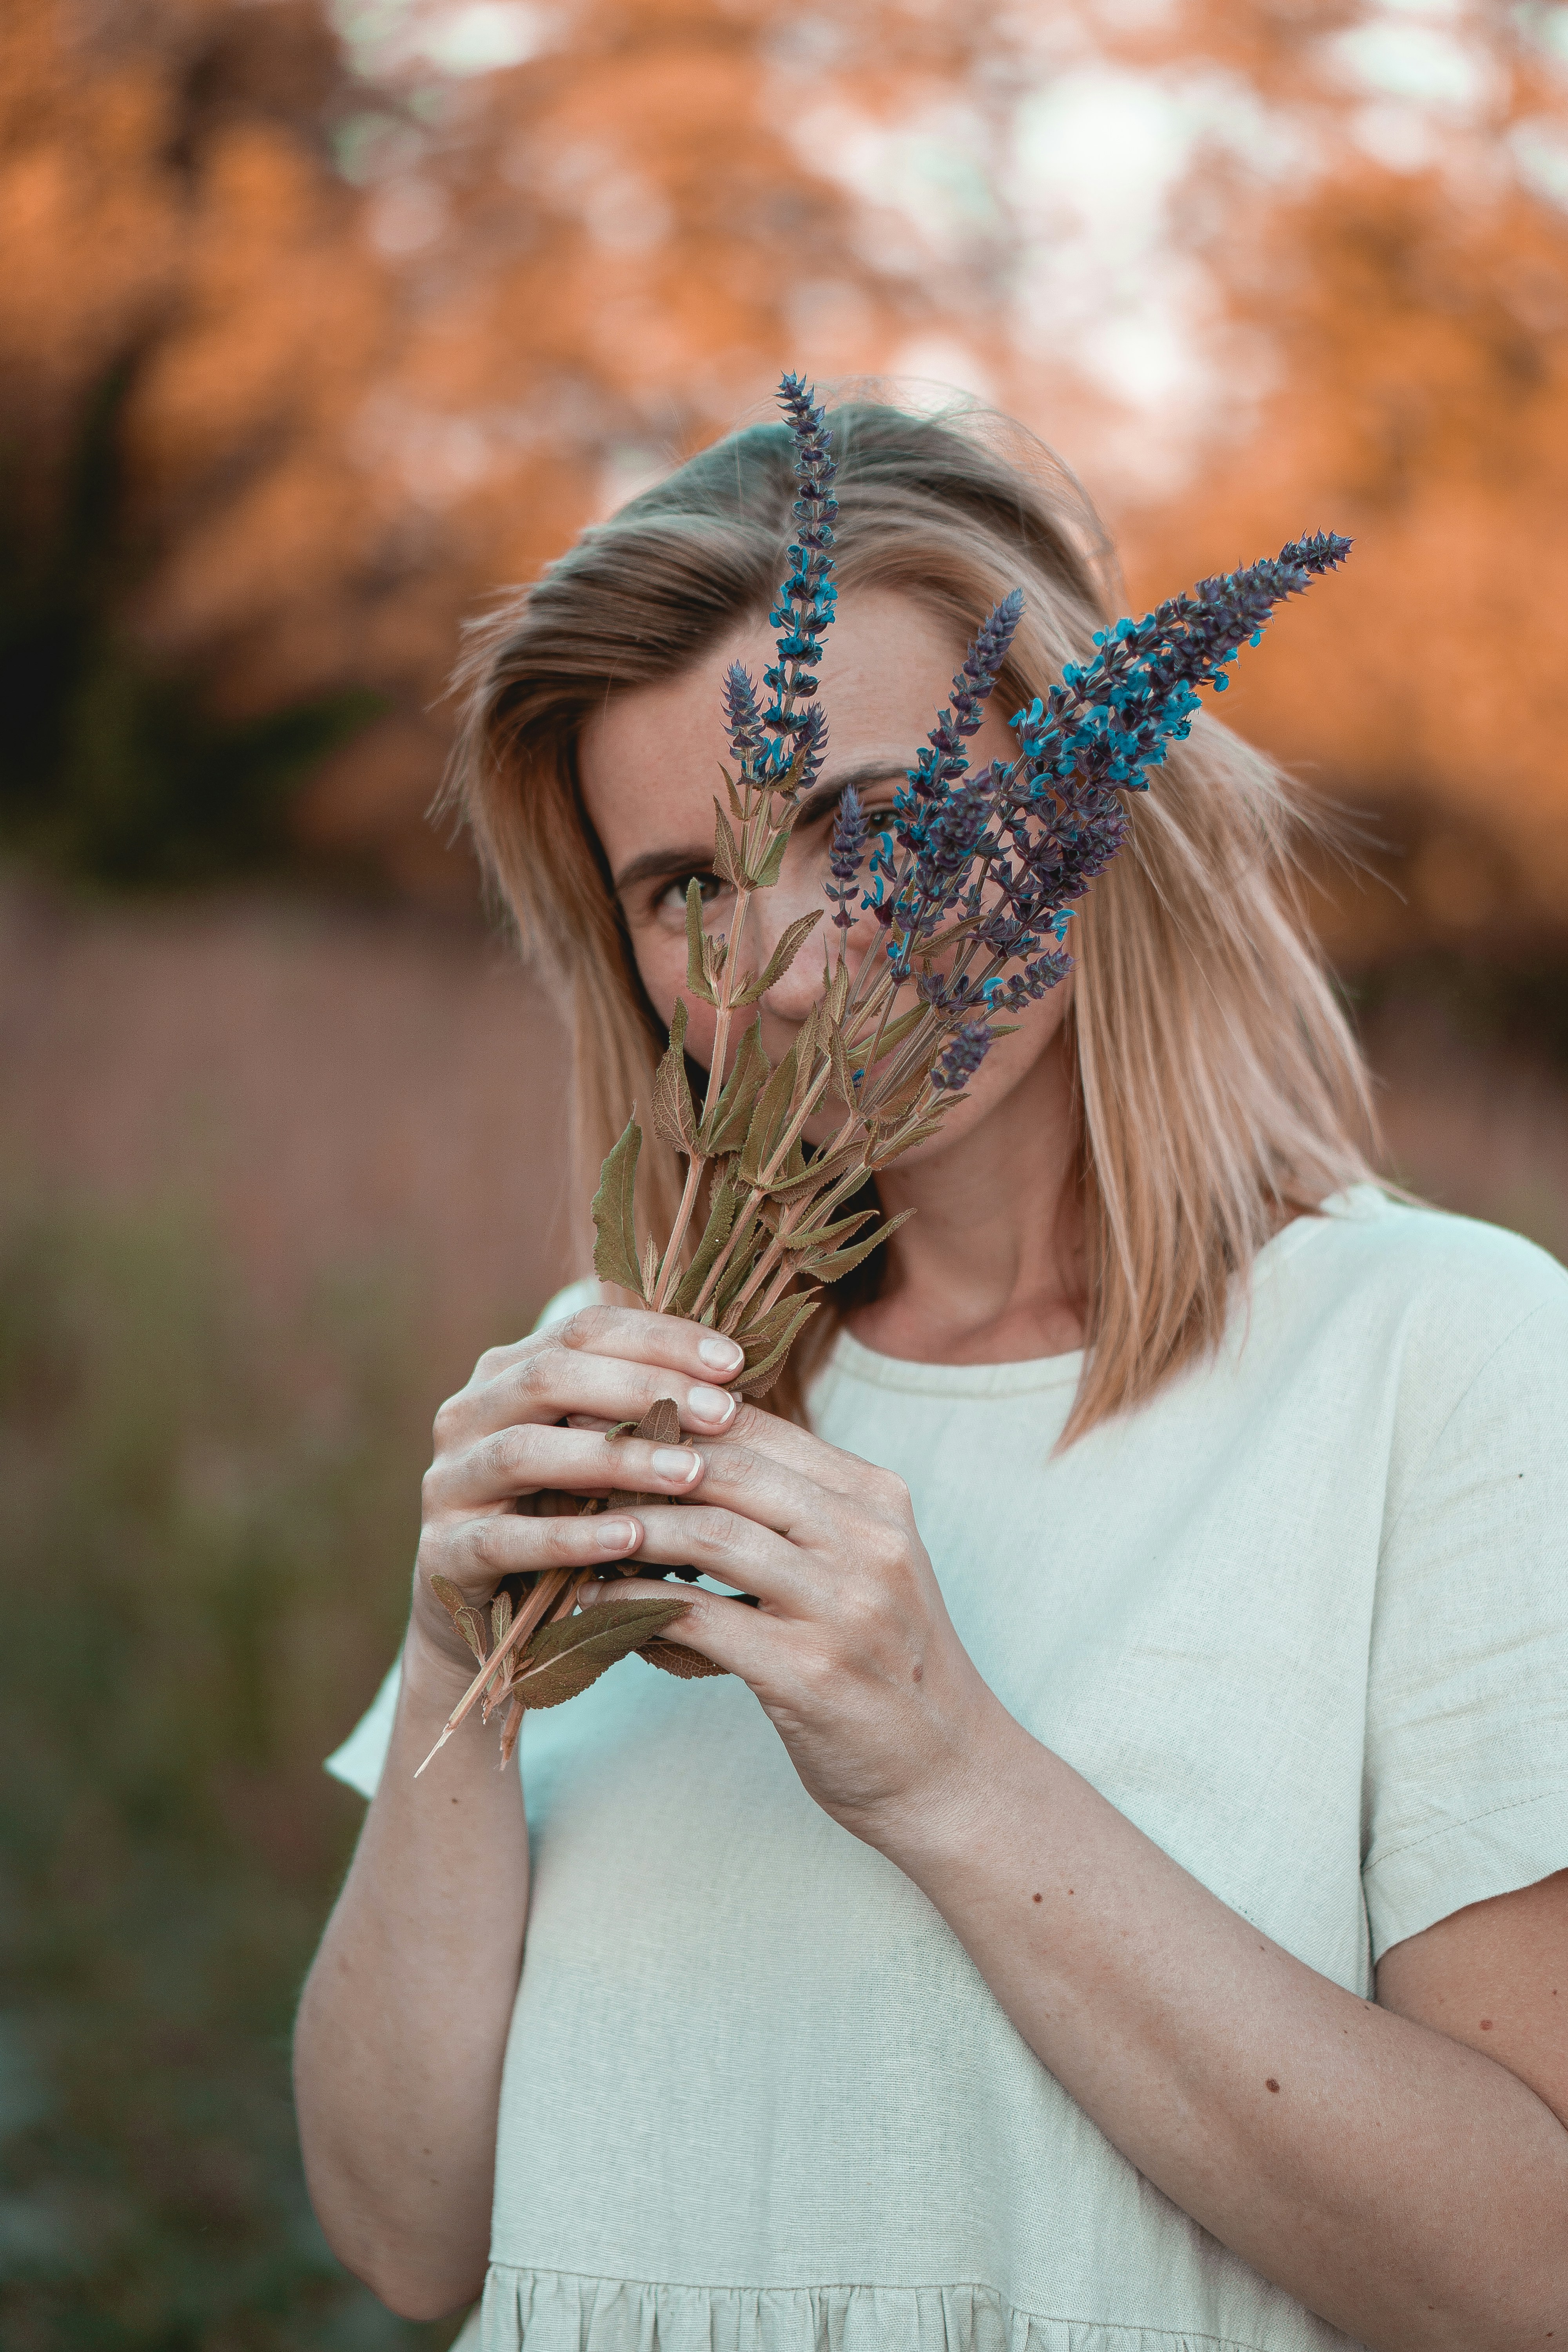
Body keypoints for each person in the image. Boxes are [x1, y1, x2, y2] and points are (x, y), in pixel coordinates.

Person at [293, 397, 1568, 2352]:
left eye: (878, 827)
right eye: (687, 888)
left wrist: (946, 1766)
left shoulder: (1444, 1360)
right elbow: (406, 2237)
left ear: (1093, 816)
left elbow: (1528, 2281)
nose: (793, 959)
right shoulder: (609, 1384)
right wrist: (467, 1671)